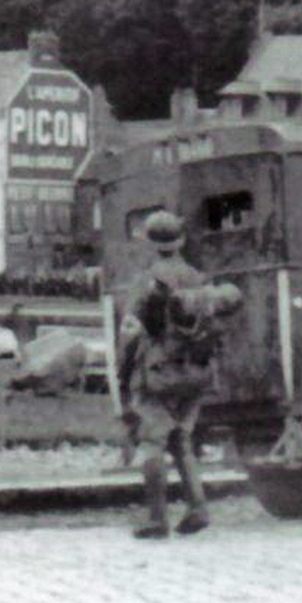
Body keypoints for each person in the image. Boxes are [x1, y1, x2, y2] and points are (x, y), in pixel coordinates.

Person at [117, 210, 242, 539]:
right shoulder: (199, 279)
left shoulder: (145, 283)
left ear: (148, 244)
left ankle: (157, 520)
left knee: (153, 443)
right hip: (195, 374)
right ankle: (198, 508)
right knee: (182, 441)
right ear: (181, 241)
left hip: (158, 374)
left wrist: (123, 375)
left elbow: (130, 334)